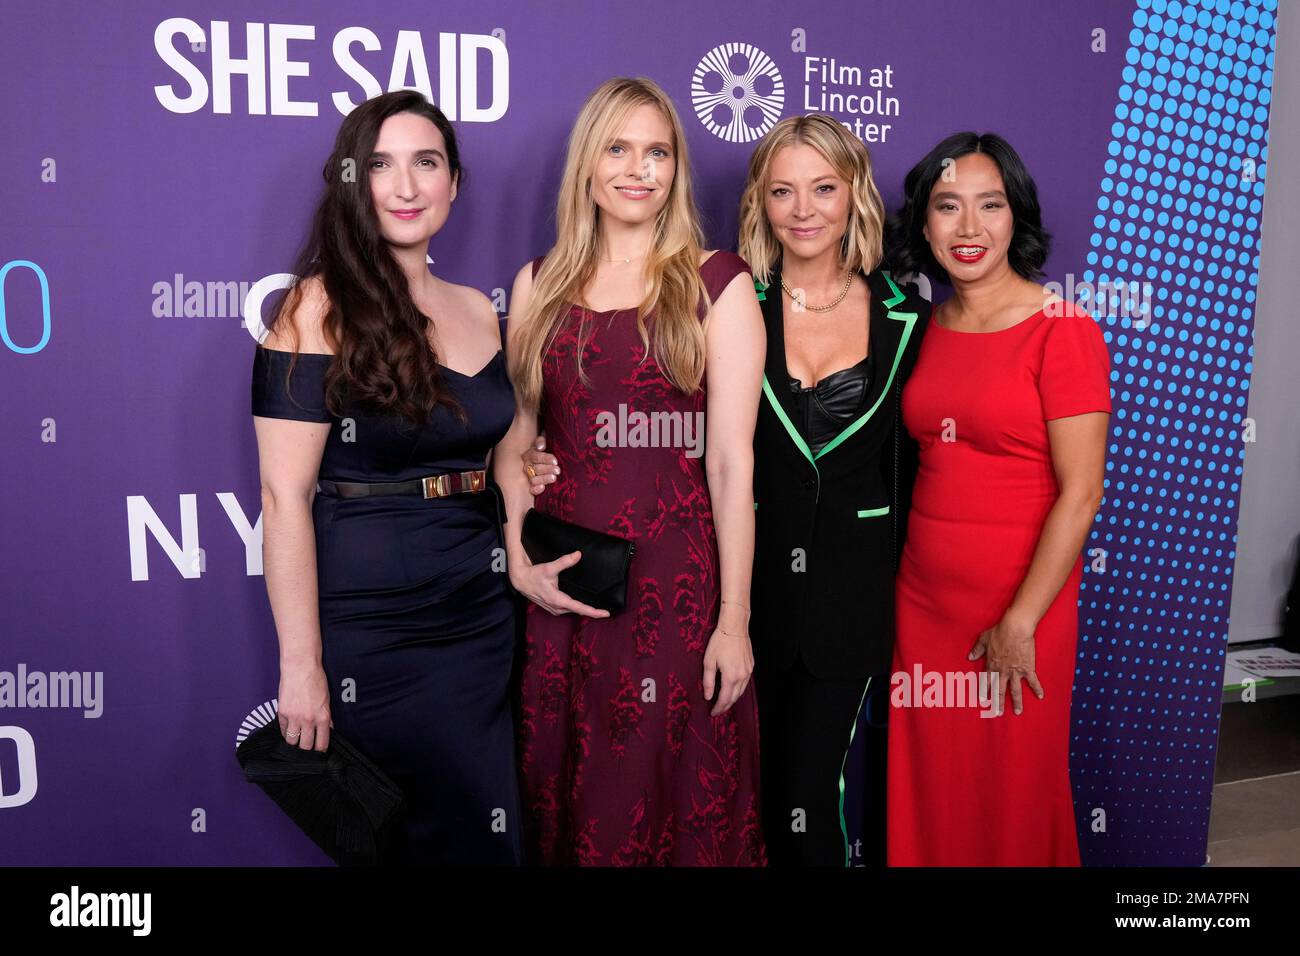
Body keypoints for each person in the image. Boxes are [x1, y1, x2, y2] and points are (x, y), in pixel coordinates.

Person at [493, 77, 767, 865]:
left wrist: (735, 619)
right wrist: (517, 555)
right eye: (618, 148)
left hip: (673, 590)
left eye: (658, 152)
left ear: (677, 168)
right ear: (587, 164)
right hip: (565, 584)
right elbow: (517, 440)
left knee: (662, 788)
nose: (638, 169)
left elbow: (730, 461)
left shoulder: (718, 283)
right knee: (568, 782)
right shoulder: (538, 282)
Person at [251, 90, 522, 865]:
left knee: (490, 832)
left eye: (426, 163)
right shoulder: (313, 308)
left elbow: (493, 450)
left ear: (455, 183)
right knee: (406, 842)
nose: (405, 187)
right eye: (380, 165)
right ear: (352, 180)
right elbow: (283, 497)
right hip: (374, 626)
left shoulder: (477, 307)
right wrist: (301, 665)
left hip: (480, 615)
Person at [885, 132, 1111, 866]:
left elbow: (1081, 494)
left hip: (1022, 610)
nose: (970, 228)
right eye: (948, 207)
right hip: (923, 607)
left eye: (991, 206)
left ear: (1018, 218)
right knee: (933, 790)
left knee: (1013, 792)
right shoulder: (924, 329)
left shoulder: (1063, 330)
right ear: (924, 223)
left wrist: (1020, 621)